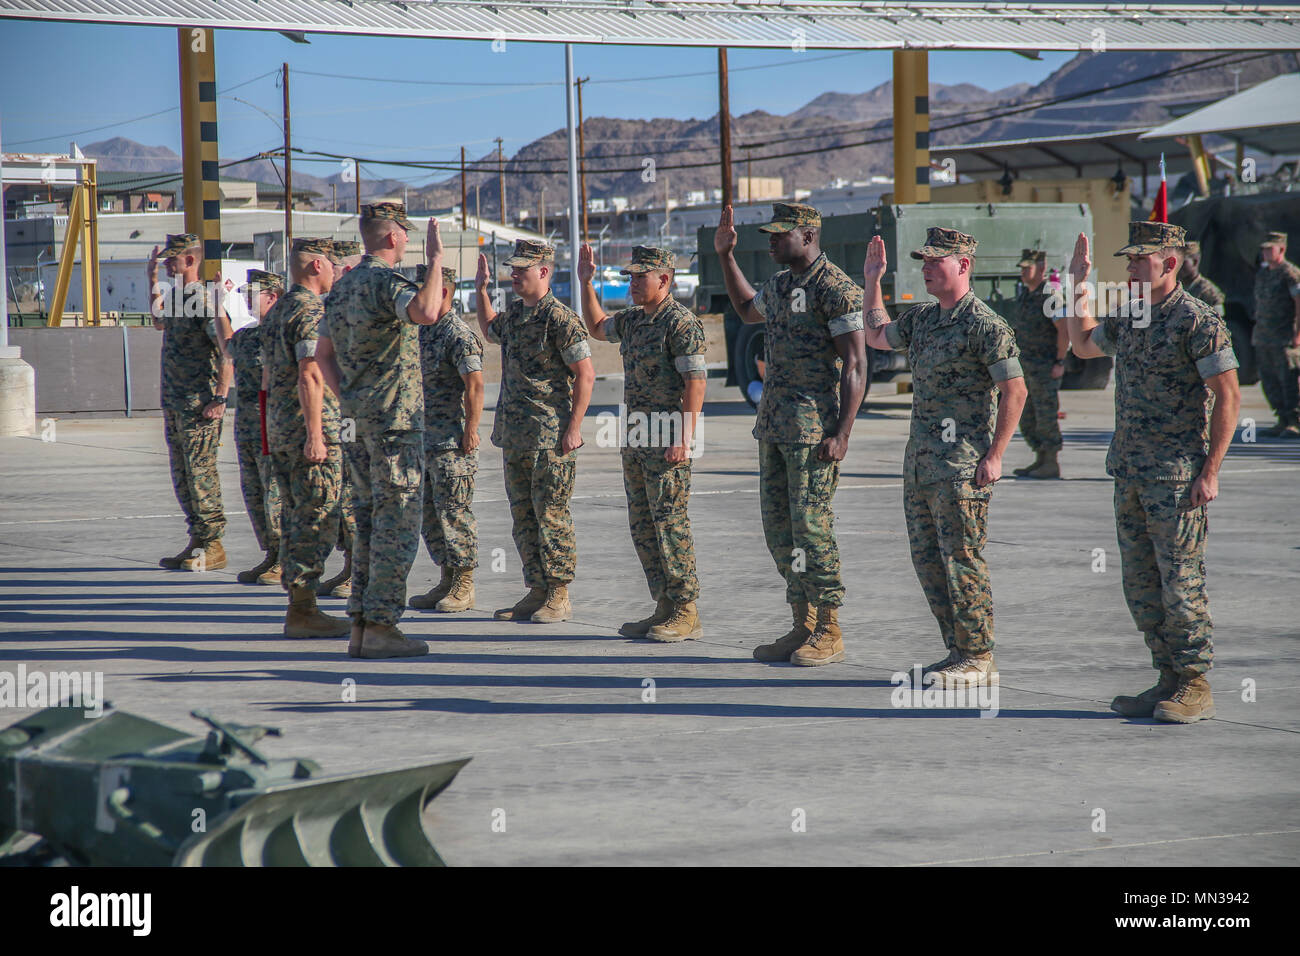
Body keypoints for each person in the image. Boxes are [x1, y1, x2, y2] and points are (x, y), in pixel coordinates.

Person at [1062, 222, 1240, 723]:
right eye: (1128, 260)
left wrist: (1212, 471)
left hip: (1177, 478)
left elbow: (1228, 395)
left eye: (1140, 259)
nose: (1131, 267)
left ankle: (1194, 683)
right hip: (1131, 473)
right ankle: (1166, 676)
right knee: (1140, 584)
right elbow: (1082, 345)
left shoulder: (1197, 320)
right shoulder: (1133, 314)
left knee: (1180, 583)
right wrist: (1080, 284)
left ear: (1170, 262)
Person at [859, 227, 1027, 687]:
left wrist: (995, 455)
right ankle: (958, 650)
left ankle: (979, 656)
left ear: (964, 266)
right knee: (929, 562)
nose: (927, 269)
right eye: (925, 261)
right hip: (921, 467)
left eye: (937, 261)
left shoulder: (986, 326)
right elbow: (876, 334)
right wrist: (873, 278)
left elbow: (1016, 391)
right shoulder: (923, 320)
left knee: (962, 561)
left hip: (961, 469)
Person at [714, 202, 868, 666]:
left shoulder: (835, 288)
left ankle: (829, 627)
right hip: (774, 427)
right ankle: (801, 622)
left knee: (812, 528)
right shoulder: (781, 286)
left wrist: (842, 432)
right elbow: (745, 310)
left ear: (808, 235)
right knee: (780, 530)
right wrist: (725, 256)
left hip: (812, 430)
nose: (772, 241)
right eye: (770, 234)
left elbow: (857, 363)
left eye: (781, 234)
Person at [318, 204, 446, 658]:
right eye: (405, 237)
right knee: (397, 525)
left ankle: (361, 624)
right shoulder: (383, 281)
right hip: (394, 425)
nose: (407, 242)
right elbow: (427, 311)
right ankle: (382, 625)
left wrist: (352, 397)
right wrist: (434, 262)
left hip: (356, 423)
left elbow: (323, 355)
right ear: (393, 238)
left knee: (368, 522)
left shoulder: (343, 285)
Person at [579, 244, 708, 641]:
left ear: (664, 280)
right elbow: (598, 326)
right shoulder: (635, 321)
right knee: (643, 525)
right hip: (637, 439)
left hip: (668, 439)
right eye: (630, 277)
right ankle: (664, 605)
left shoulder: (681, 324)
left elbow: (696, 383)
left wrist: (683, 438)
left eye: (640, 277)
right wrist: (586, 282)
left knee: (670, 524)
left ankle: (686, 610)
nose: (632, 283)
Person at [474, 239, 593, 625]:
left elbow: (585, 374)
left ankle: (559, 593)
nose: (514, 275)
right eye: (513, 268)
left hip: (550, 438)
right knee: (522, 515)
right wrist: (480, 291)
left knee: (551, 515)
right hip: (515, 436)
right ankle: (537, 589)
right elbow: (490, 330)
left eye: (521, 268)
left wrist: (574, 428)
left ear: (543, 271)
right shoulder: (516, 316)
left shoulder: (560, 319)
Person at [260, 238, 352, 639]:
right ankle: (304, 608)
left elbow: (268, 378)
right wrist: (316, 435)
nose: (335, 271)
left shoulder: (278, 310)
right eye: (332, 264)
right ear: (317, 266)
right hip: (308, 433)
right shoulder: (311, 311)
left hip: (282, 430)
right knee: (317, 517)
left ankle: (300, 604)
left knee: (295, 516)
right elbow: (310, 373)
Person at [147, 233, 231, 572]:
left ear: (191, 261)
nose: (168, 264)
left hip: (199, 404)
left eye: (173, 260)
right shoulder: (180, 297)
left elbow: (227, 349)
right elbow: (157, 319)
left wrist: (221, 397)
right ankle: (198, 540)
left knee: (200, 474)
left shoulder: (202, 299)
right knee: (182, 475)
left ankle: (214, 544)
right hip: (177, 402)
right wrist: (151, 278)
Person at [408, 265, 484, 613]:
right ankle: (446, 576)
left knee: (454, 513)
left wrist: (471, 429)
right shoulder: (419, 331)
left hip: (452, 443)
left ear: (442, 291)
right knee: (428, 514)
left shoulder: (458, 334)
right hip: (423, 441)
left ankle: (464, 582)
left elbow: (475, 384)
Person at [317, 239, 364, 598]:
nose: (329, 272)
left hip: (355, 418)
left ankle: (358, 571)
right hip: (341, 413)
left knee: (353, 495)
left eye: (334, 266)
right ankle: (350, 564)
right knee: (341, 493)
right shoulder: (333, 307)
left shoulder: (361, 308)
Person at [231, 269, 283, 584]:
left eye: (253, 295)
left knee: (275, 493)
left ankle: (286, 558)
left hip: (275, 425)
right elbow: (227, 349)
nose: (247, 301)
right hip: (248, 426)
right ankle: (271, 554)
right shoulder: (248, 336)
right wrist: (219, 309)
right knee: (254, 492)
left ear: (272, 296)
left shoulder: (286, 334)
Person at [1008, 249, 1069, 479]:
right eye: (1022, 268)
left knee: (1046, 415)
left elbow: (1063, 330)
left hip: (1044, 367)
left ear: (1042, 268)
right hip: (1025, 367)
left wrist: (1060, 361)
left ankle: (1051, 462)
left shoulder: (1050, 296)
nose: (1023, 272)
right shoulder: (1025, 294)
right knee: (1027, 416)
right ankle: (1040, 458)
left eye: (1028, 267)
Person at [1252, 231, 1300, 438]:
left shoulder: (1290, 273)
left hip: (1284, 337)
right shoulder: (1263, 273)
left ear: (1282, 249)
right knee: (1269, 379)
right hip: (1263, 336)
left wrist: (1298, 334)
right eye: (1264, 249)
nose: (1265, 253)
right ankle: (1281, 419)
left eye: (1269, 249)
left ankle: (1294, 421)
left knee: (1288, 379)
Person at [1179, 241, 1225, 316]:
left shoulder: (1209, 292)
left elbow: (1219, 321)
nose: (1178, 266)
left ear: (1195, 262)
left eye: (1182, 262)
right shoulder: (1174, 286)